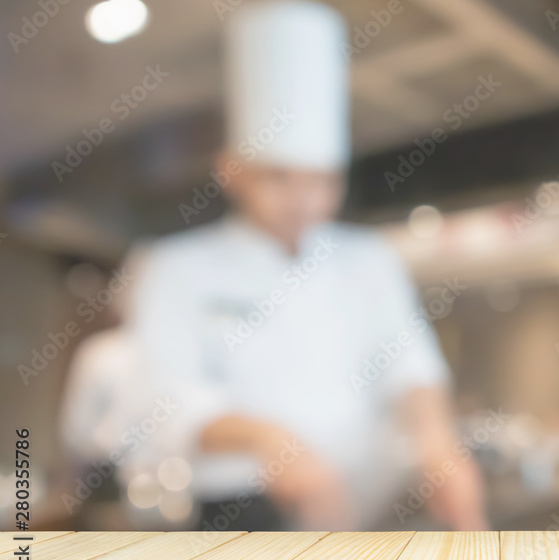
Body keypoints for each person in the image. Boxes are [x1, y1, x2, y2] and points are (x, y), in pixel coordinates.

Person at [120, 1, 486, 530]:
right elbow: (169, 404)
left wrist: (439, 445)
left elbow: (410, 365)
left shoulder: (370, 260)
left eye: (322, 180)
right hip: (242, 513)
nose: (304, 201)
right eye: (279, 178)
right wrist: (271, 442)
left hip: (368, 504)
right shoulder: (173, 269)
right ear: (231, 170)